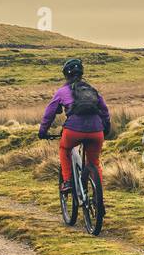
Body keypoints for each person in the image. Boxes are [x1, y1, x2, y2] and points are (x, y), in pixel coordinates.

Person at [38, 58, 111, 194]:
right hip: (96, 131)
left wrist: (43, 131)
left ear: (66, 75)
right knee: (94, 162)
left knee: (64, 148)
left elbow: (50, 113)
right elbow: (105, 110)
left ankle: (67, 181)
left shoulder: (62, 91)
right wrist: (106, 128)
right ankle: (98, 197)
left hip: (73, 131)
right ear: (81, 74)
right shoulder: (92, 90)